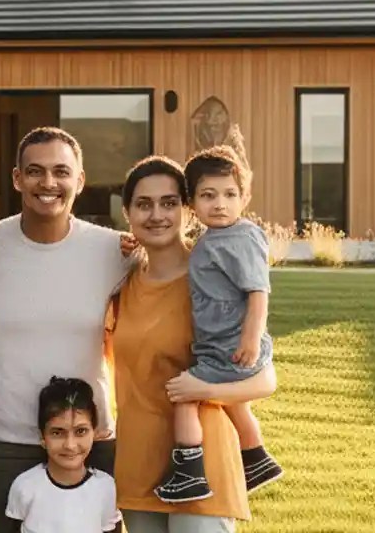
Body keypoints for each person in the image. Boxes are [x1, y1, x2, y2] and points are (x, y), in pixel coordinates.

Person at [109, 155, 277, 533]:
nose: (156, 215)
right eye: (143, 204)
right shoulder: (122, 279)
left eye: (169, 203)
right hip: (137, 463)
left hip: (203, 466)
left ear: (187, 209)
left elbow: (266, 379)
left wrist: (204, 389)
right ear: (127, 212)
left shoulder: (214, 277)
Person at [0, 126, 134, 533]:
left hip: (90, 440)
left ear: (79, 181)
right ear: (17, 178)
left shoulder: (114, 250)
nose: (48, 183)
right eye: (35, 171)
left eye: (61, 172)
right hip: (11, 441)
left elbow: (171, 276)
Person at [153, 146, 283, 503]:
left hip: (231, 346)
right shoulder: (216, 238)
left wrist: (251, 339)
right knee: (236, 403)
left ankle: (189, 473)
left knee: (183, 395)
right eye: (208, 196)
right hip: (220, 343)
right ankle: (256, 458)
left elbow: (258, 292)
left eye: (230, 195)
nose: (220, 204)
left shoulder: (239, 238)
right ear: (191, 203)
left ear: (245, 197)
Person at [5, 377, 122, 533]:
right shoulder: (25, 487)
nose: (70, 445)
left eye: (81, 431)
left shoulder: (105, 487)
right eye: (57, 433)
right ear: (42, 437)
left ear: (94, 433)